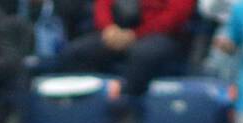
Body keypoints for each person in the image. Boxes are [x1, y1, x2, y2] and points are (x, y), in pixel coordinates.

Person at [55, 0, 196, 96]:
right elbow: (103, 4)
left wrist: (135, 35)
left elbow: (177, 14)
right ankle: (83, 113)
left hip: (161, 35)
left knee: (142, 56)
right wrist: (108, 28)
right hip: (116, 32)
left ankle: (125, 115)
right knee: (76, 53)